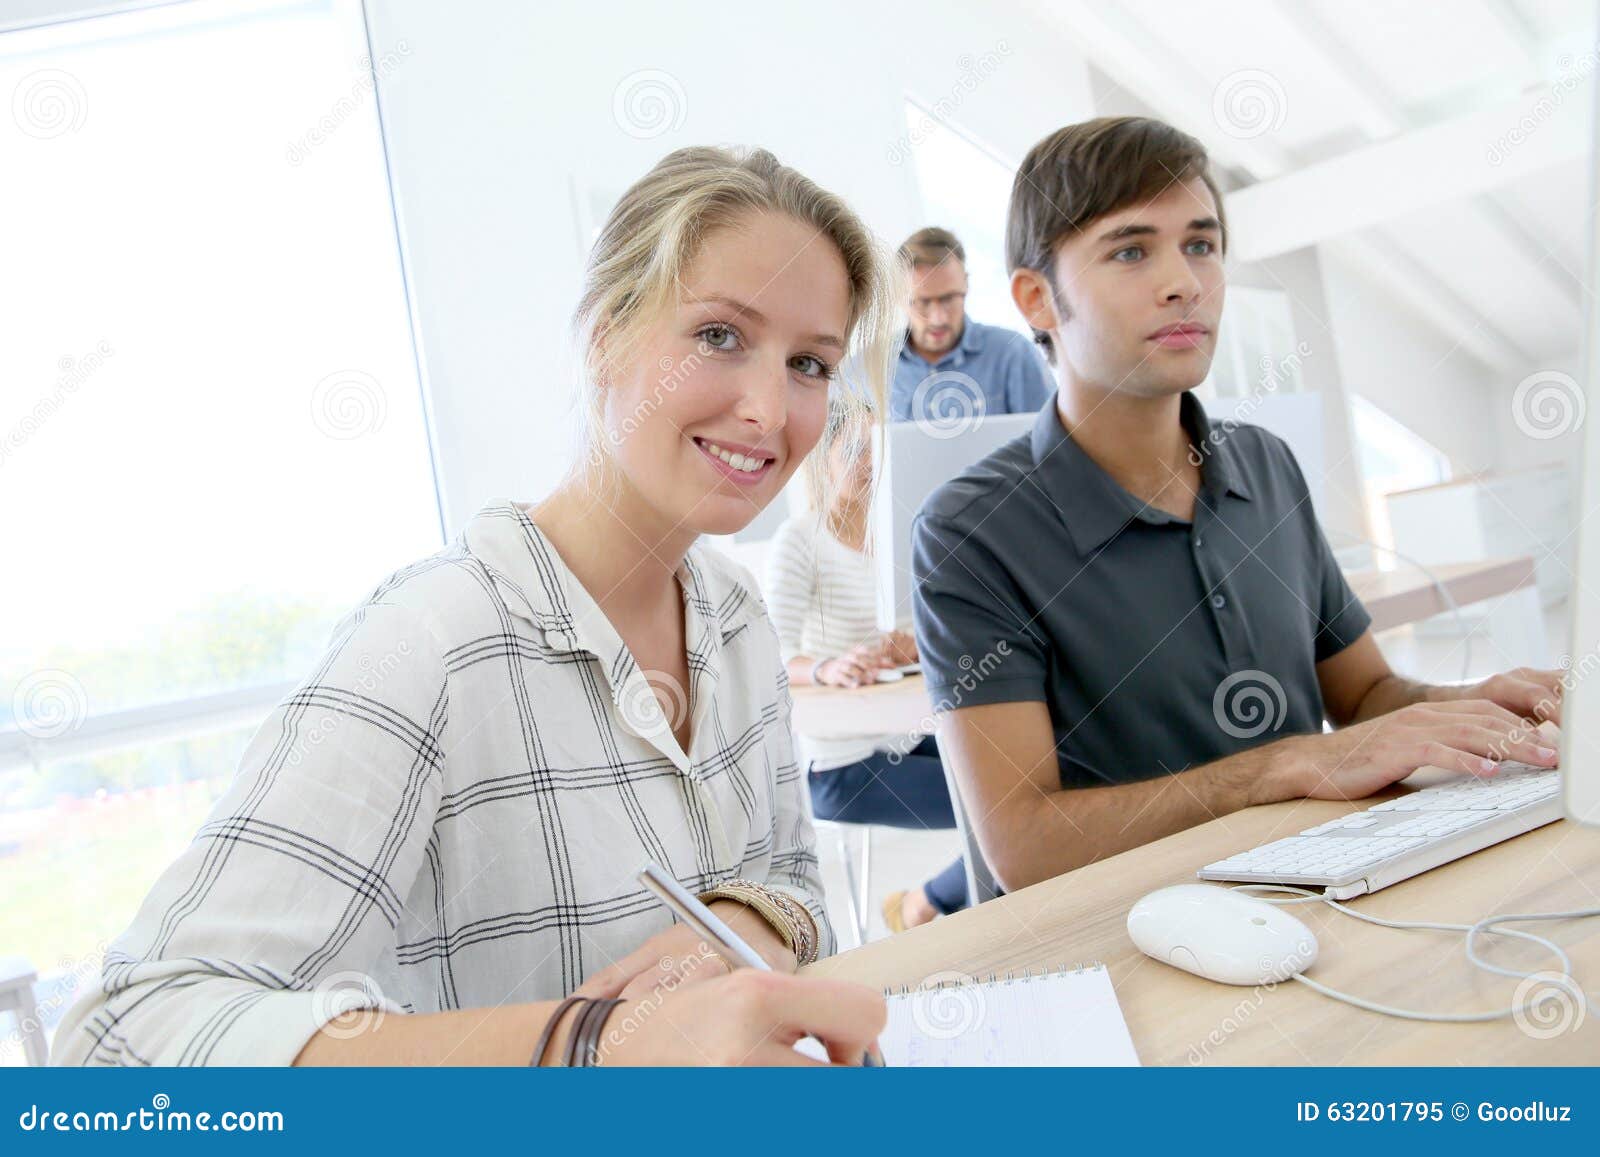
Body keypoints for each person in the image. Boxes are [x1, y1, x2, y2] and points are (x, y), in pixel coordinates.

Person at [52, 145, 900, 1067]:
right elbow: (121, 1040)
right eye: (720, 336)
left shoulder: (735, 611)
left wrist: (748, 924)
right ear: (605, 332)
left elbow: (794, 877)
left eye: (811, 363)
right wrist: (597, 1046)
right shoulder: (433, 640)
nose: (771, 408)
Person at [911, 116, 1566, 895]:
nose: (1184, 279)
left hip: (1322, 894)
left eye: (1201, 243)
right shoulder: (970, 530)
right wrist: (1284, 762)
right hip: (1129, 939)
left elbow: (1362, 696)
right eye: (1130, 250)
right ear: (1036, 299)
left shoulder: (1265, 463)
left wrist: (1470, 704)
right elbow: (1021, 844)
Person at [764, 394, 965, 933]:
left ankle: (923, 902)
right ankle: (922, 905)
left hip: (899, 736)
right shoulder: (800, 540)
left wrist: (912, 645)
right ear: (824, 456)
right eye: (852, 448)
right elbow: (770, 656)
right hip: (843, 767)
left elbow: (925, 629)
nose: (867, 461)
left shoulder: (895, 534)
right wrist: (827, 668)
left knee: (1013, 780)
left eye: (874, 447)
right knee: (993, 812)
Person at [889, 226, 1053, 423]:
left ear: (966, 284)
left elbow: (1052, 446)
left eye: (949, 298)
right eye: (922, 302)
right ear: (898, 294)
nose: (938, 319)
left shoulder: (1014, 354)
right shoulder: (864, 373)